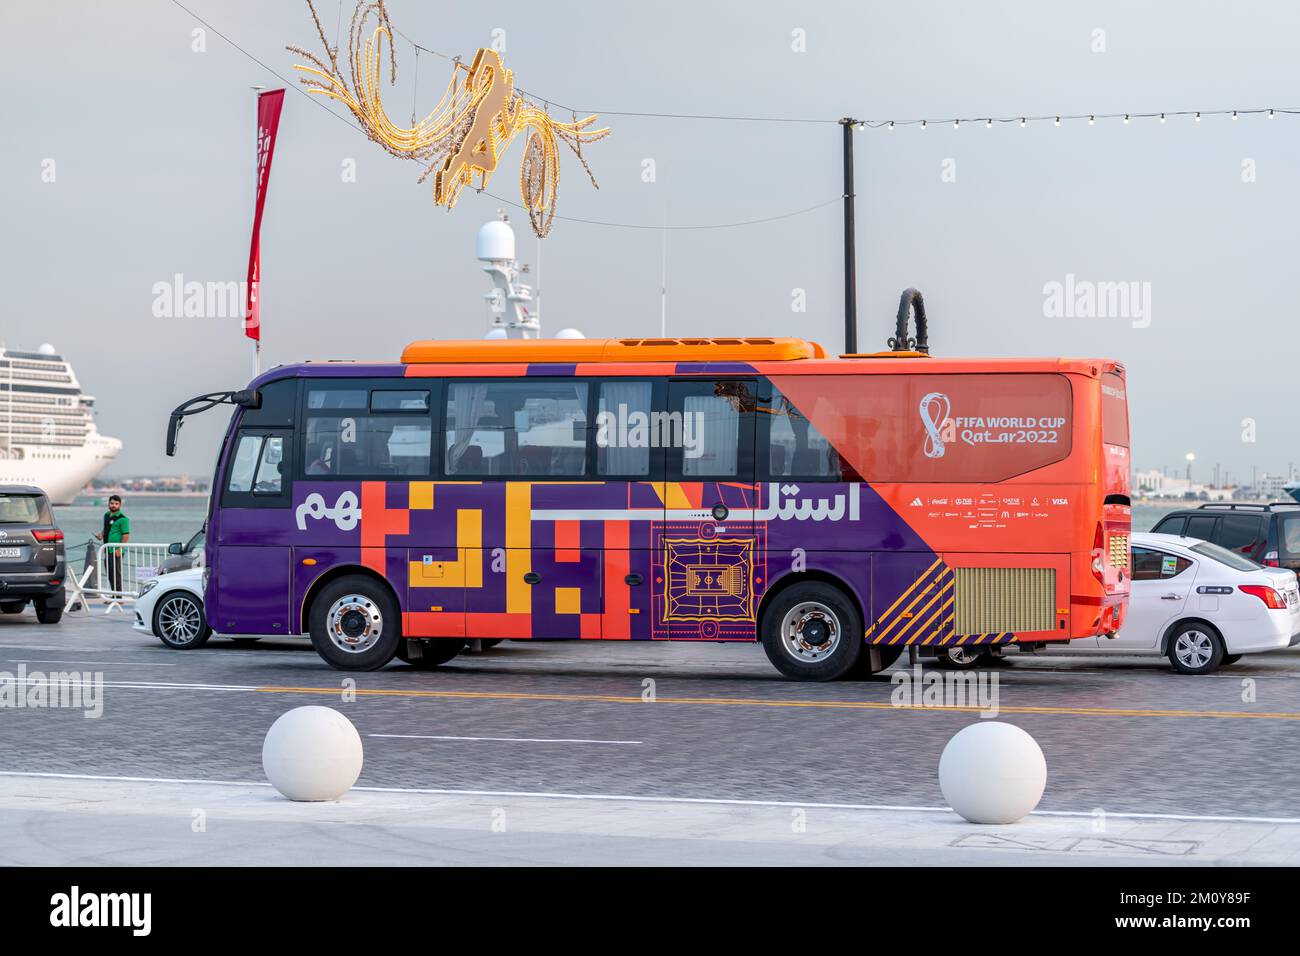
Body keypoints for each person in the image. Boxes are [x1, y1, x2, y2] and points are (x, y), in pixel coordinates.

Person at [95, 494, 130, 595]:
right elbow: (106, 529)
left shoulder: (123, 519)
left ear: (120, 505)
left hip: (116, 550)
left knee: (116, 573)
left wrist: (120, 548)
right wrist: (101, 535)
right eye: (112, 503)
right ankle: (114, 595)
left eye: (116, 503)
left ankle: (119, 598)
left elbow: (126, 535)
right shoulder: (106, 515)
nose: (114, 505)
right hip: (107, 549)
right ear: (108, 504)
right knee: (110, 573)